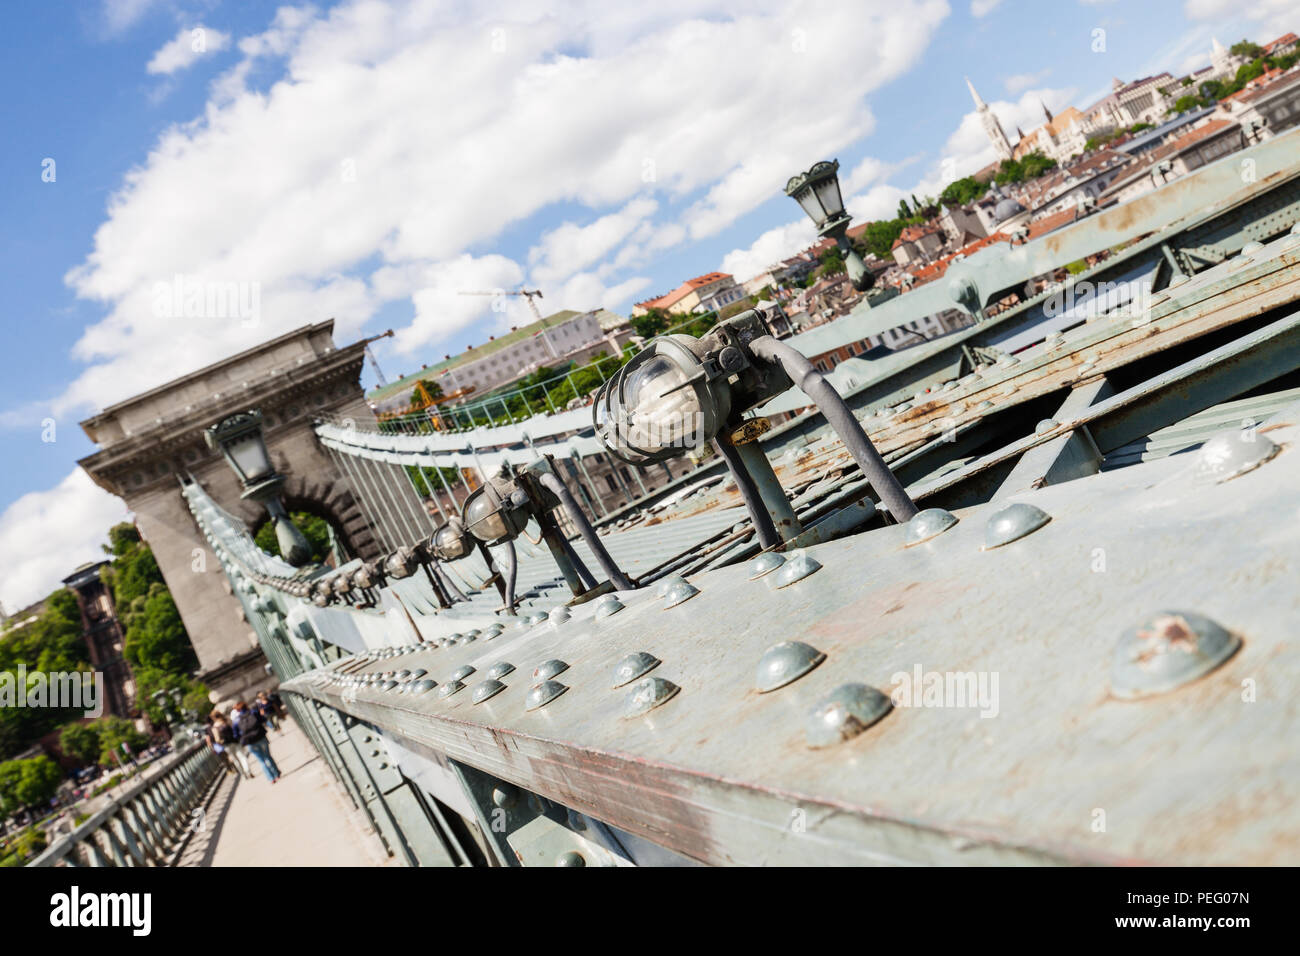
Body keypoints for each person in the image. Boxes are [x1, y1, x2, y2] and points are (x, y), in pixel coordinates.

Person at [233, 700, 281, 783]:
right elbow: (263, 720)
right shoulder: (253, 712)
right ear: (246, 706)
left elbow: (236, 735)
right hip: (261, 737)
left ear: (238, 710)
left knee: (261, 760)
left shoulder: (236, 721)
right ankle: (276, 774)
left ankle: (270, 778)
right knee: (267, 756)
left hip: (250, 742)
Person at [206, 713, 248, 778]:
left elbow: (217, 740)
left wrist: (220, 743)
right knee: (242, 756)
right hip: (235, 741)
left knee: (235, 760)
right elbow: (235, 729)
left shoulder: (214, 727)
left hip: (226, 745)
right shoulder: (226, 720)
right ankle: (247, 770)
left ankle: (243, 774)